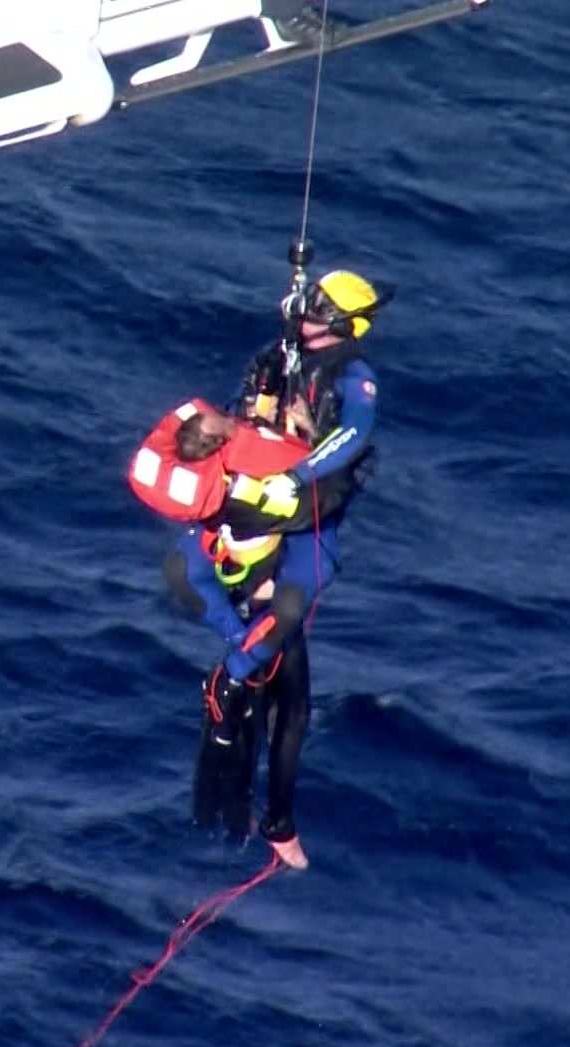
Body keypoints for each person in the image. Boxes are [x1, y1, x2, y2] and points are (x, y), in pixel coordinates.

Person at [141, 268, 388, 871]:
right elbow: (246, 420)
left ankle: (235, 786)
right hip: (281, 524)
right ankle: (272, 816)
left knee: (274, 663)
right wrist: (284, 476)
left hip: (280, 515)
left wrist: (290, 474)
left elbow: (352, 432)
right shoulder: (277, 362)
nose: (308, 309)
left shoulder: (348, 380)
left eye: (321, 306)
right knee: (291, 692)